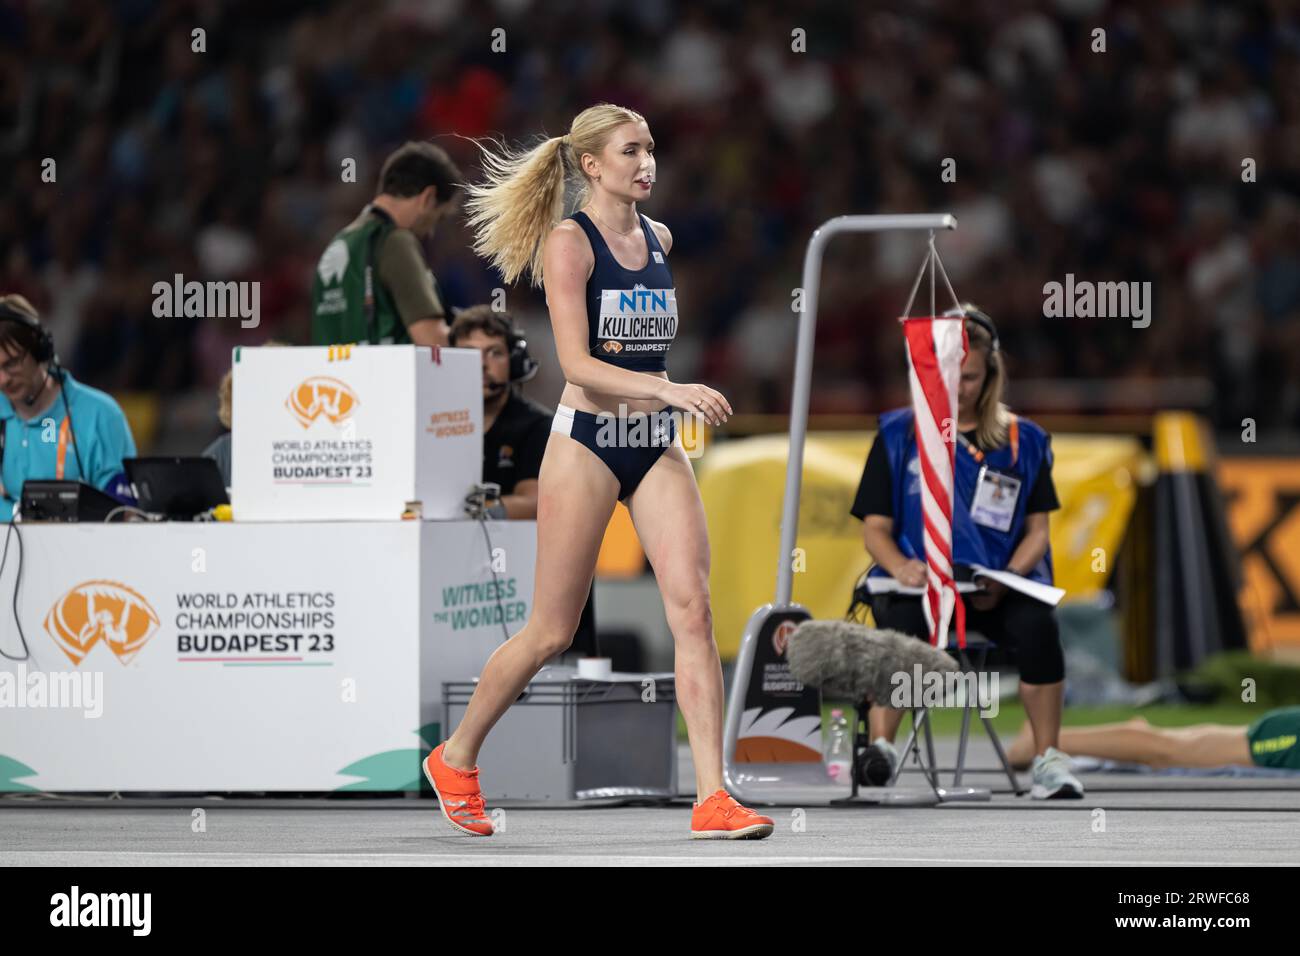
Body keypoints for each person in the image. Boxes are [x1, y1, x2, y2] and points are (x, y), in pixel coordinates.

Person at [421, 103, 773, 839]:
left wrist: (661, 398)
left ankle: (712, 795)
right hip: (585, 443)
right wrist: (669, 389)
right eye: (631, 151)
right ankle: (455, 757)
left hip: (653, 444)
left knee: (694, 610)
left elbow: (643, 357)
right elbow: (577, 365)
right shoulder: (568, 244)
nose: (647, 164)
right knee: (550, 631)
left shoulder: (660, 237)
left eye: (651, 150)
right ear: (590, 164)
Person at [850, 304, 1085, 799]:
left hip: (998, 583)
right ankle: (881, 750)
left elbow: (1038, 531)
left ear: (992, 374)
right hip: (922, 584)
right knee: (899, 632)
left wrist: (1007, 577)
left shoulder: (1026, 441)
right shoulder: (898, 435)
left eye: (971, 377)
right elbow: (875, 529)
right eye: (950, 375)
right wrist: (901, 567)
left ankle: (1048, 759)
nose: (959, 388)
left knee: (1039, 629)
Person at [449, 305, 600, 657]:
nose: (482, 365)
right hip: (466, 587)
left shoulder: (538, 425)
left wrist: (476, 508)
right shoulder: (439, 423)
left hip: (529, 584)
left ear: (514, 361)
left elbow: (537, 501)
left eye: (494, 353)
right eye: (469, 355)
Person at [310, 141, 461, 348]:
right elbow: (433, 341)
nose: (431, 232)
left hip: (333, 379)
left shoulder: (339, 243)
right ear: (428, 198)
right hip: (387, 379)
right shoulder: (396, 242)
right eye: (439, 217)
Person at [0, 295, 136, 521]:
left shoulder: (100, 414)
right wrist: (18, 515)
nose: (3, 380)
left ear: (39, 348)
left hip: (84, 551)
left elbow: (123, 509)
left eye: (11, 363)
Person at [1005, 707, 1300, 773]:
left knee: (1175, 744)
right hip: (1289, 735)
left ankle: (1137, 736)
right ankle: (1041, 741)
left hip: (1287, 730)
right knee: (1168, 752)